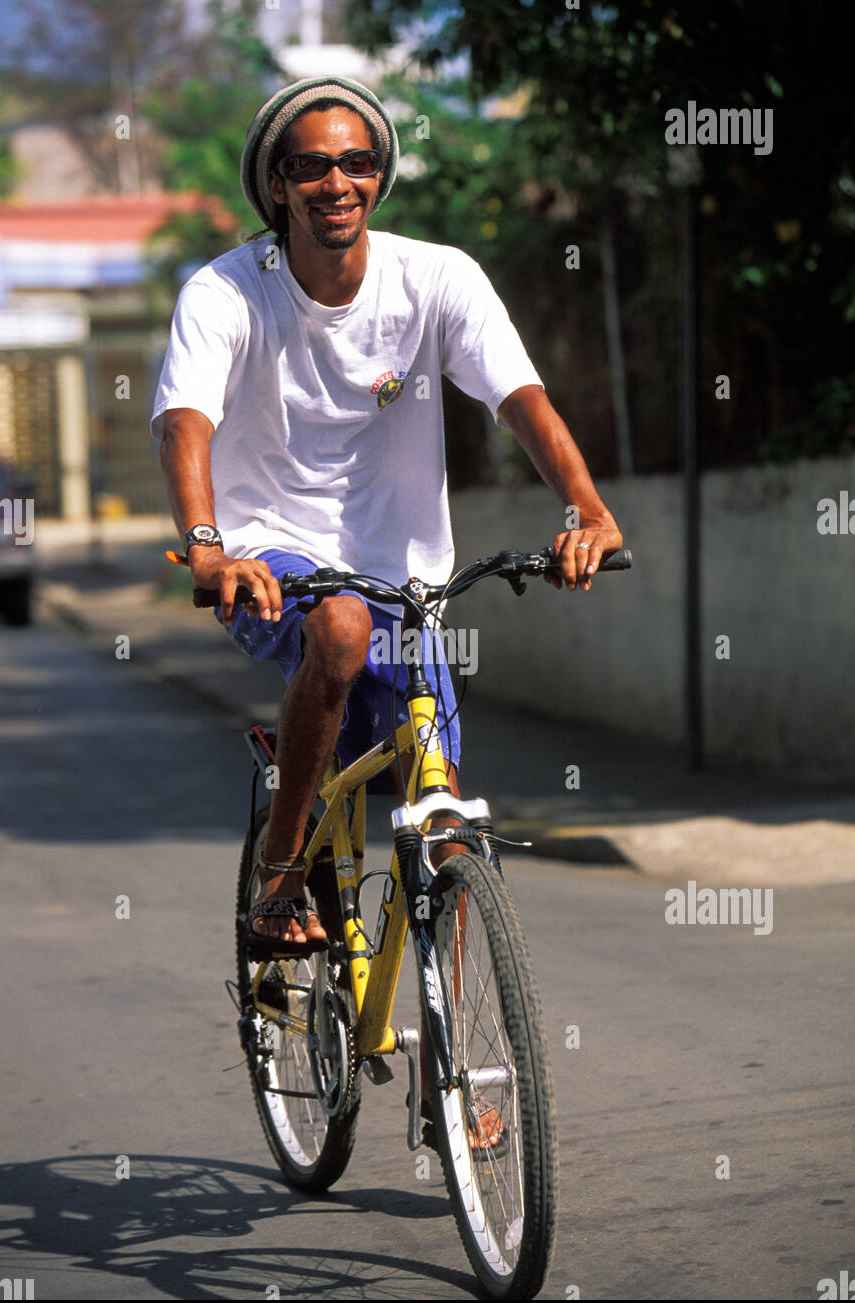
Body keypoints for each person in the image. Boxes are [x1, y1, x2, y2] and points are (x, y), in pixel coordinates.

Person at [152, 75, 623, 961]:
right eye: (312, 166)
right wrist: (208, 547)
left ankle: (466, 1083)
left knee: (441, 822)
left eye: (357, 162)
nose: (337, 182)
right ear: (277, 184)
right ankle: (282, 875)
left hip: (406, 579)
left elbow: (518, 397)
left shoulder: (436, 277)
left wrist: (588, 509)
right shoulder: (223, 294)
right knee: (337, 628)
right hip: (267, 554)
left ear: (379, 175)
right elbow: (186, 420)